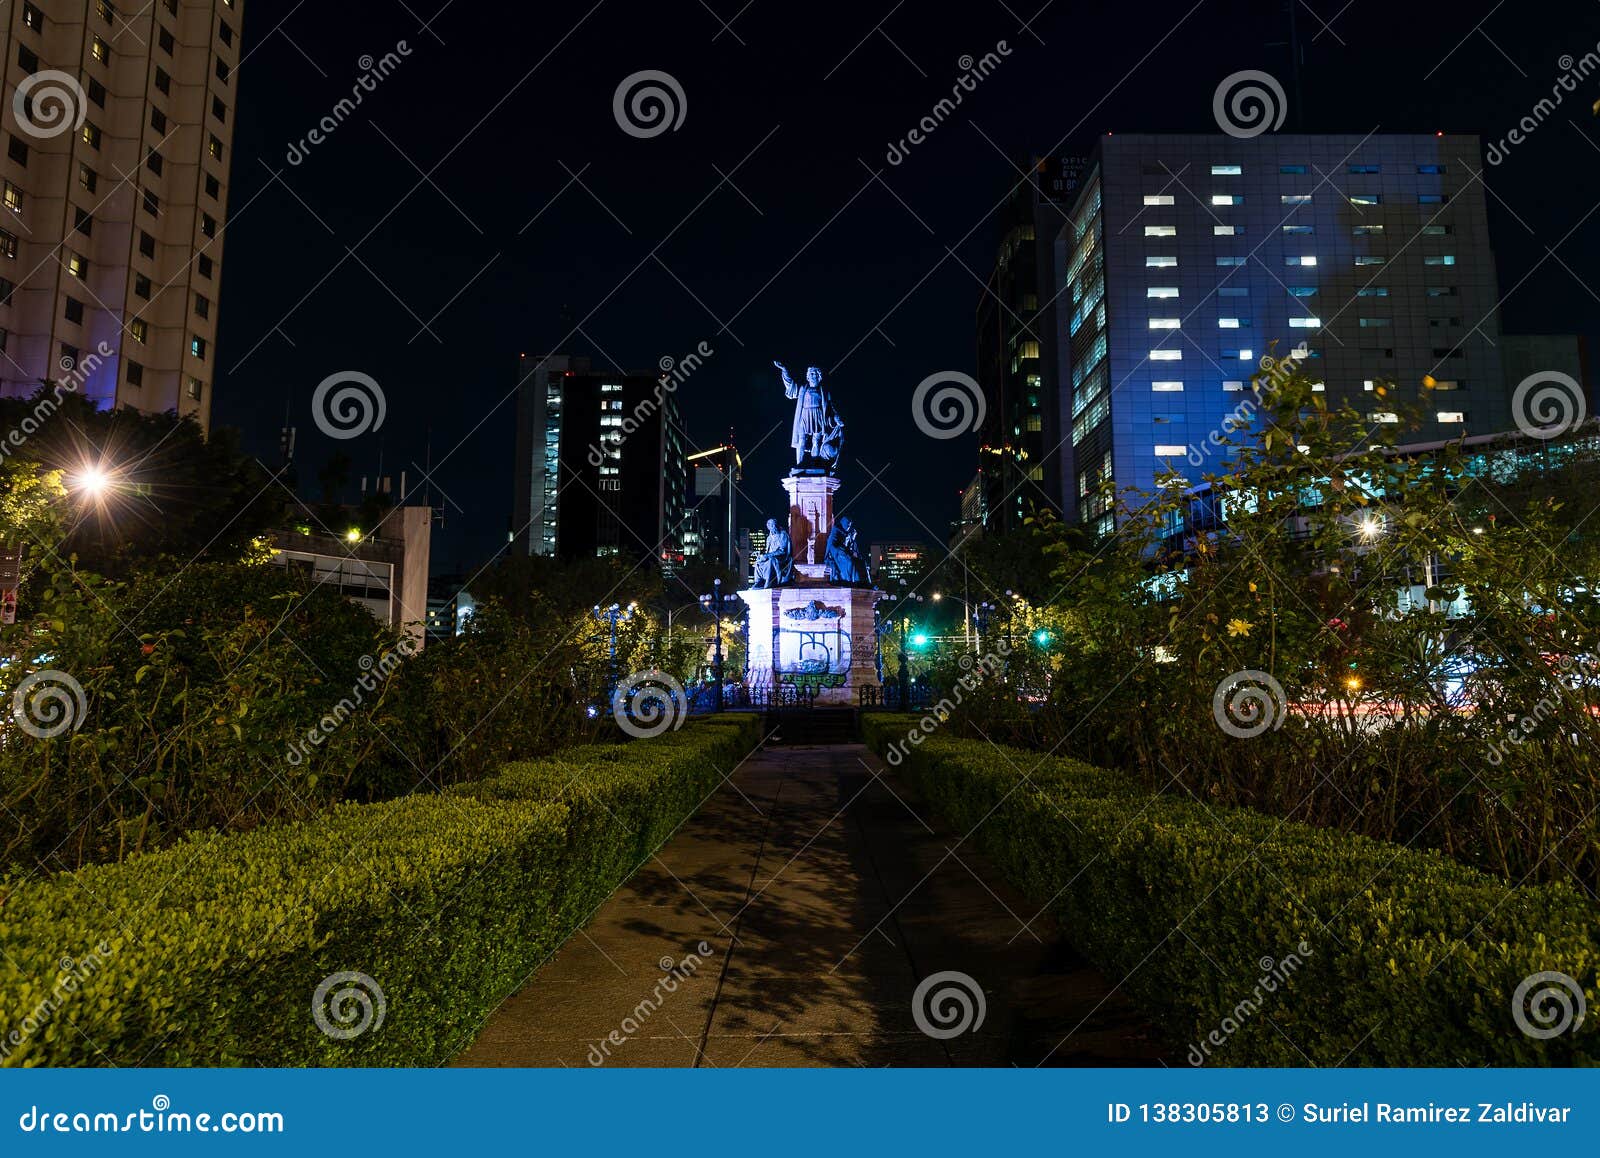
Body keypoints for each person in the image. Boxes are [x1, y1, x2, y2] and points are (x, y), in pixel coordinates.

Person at [823, 514, 867, 584]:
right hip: (836, 553)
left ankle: (862, 582)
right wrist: (844, 550)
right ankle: (848, 581)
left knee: (861, 562)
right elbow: (832, 545)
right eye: (847, 525)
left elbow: (850, 546)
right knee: (850, 562)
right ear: (842, 523)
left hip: (844, 552)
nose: (848, 527)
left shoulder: (848, 533)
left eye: (849, 525)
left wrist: (852, 538)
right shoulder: (836, 529)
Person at [753, 518, 794, 588]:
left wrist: (767, 555)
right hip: (771, 556)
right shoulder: (769, 538)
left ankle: (768, 582)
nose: (773, 527)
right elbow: (767, 551)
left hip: (781, 558)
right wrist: (760, 555)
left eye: (774, 525)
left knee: (771, 561)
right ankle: (759, 582)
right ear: (768, 527)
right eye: (771, 526)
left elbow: (782, 551)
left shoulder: (782, 535)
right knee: (758, 562)